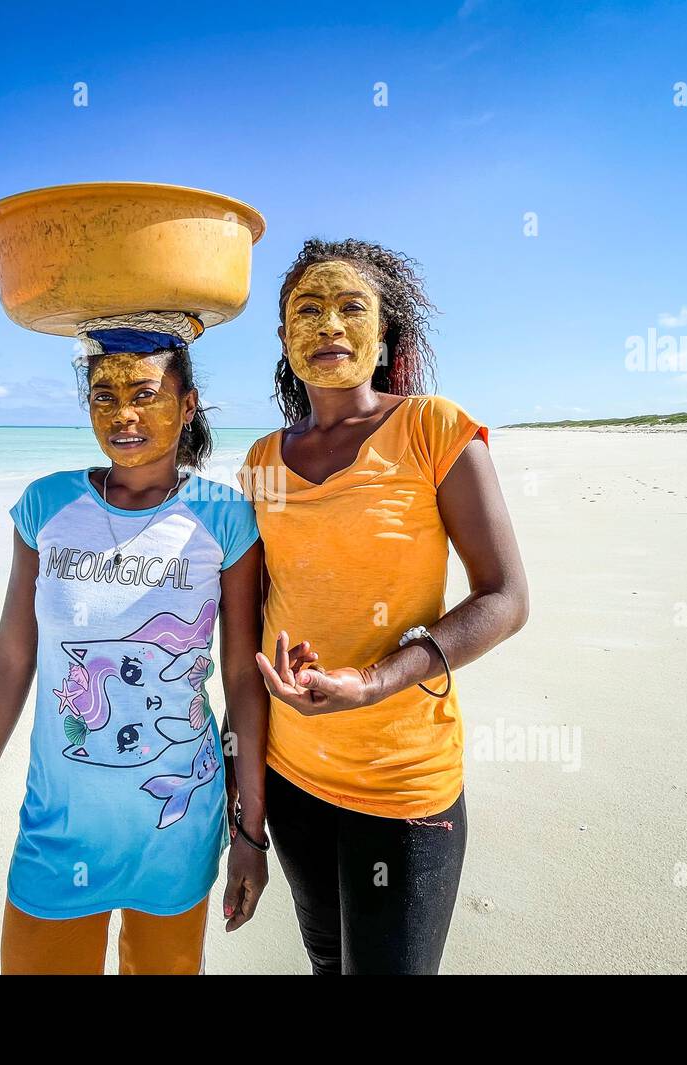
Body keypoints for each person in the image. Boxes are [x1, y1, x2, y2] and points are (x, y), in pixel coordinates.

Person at [0, 319, 269, 974]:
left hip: (175, 831)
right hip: (57, 830)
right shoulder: (46, 506)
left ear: (187, 403)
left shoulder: (225, 518)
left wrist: (250, 831)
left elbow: (242, 678)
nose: (125, 414)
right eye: (104, 396)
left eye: (145, 392)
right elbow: (10, 659)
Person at [241, 239, 530, 975]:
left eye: (350, 307)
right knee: (329, 962)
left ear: (385, 332)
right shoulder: (261, 462)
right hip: (291, 776)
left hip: (402, 782)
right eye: (307, 309)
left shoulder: (433, 430)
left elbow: (505, 596)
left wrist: (373, 681)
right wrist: (246, 817)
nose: (329, 324)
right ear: (282, 336)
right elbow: (247, 628)